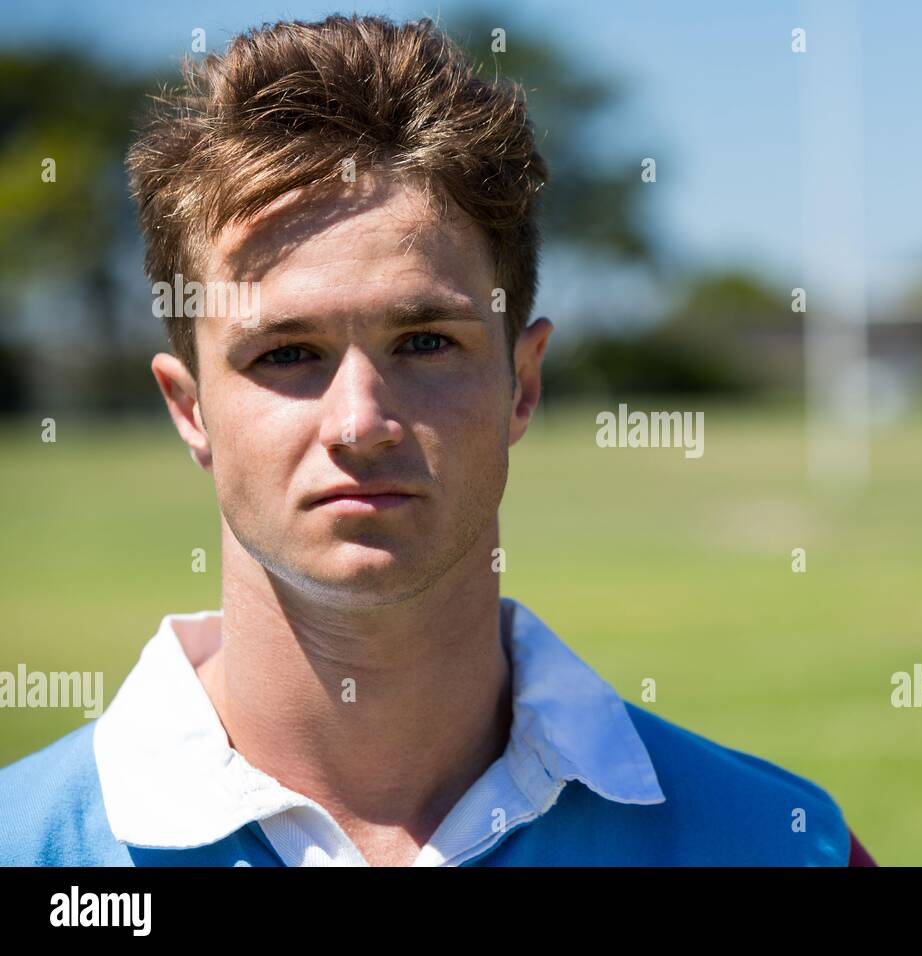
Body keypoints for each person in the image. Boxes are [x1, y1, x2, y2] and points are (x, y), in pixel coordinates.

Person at [0, 14, 874, 867]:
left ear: (521, 384)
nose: (360, 421)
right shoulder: (28, 841)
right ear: (190, 409)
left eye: (425, 343)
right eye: (287, 353)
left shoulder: (781, 843)